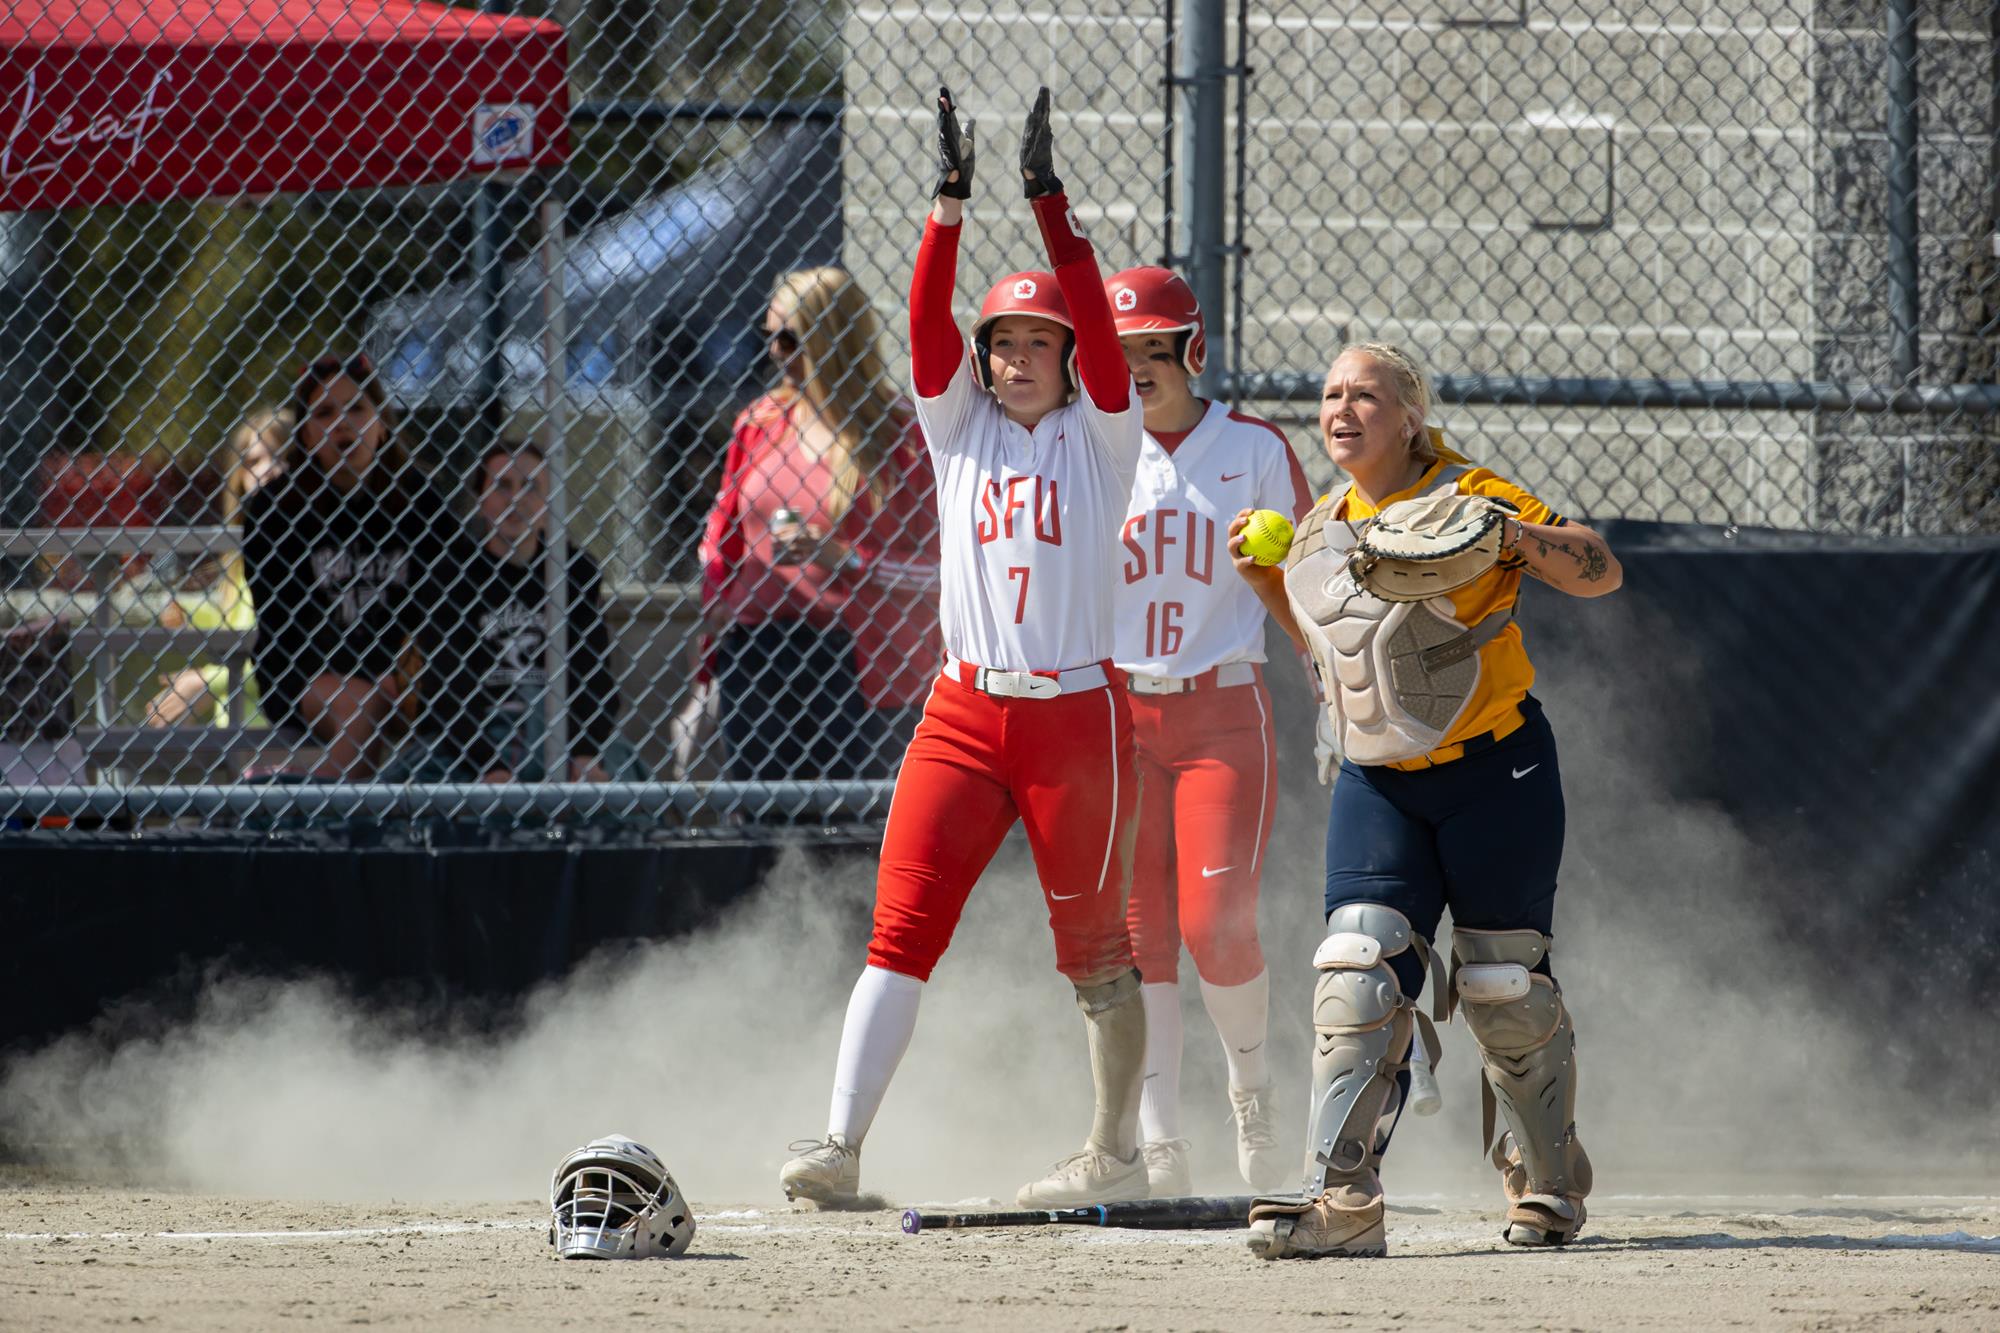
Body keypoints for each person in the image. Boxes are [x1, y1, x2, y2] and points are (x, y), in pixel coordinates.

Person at [781, 87, 1148, 1208]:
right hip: (961, 714)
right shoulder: (956, 429)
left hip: (1074, 718)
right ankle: (840, 1148)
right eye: (1006, 341)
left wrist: (1048, 204)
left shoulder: (1105, 435)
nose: (1022, 355)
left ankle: (1113, 1151)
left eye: (1043, 341)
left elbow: (1089, 304)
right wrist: (945, 204)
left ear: (1072, 357)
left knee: (1094, 949)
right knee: (900, 929)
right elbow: (923, 320)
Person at [1229, 341, 1623, 1259]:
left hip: (1497, 772)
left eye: (1366, 393)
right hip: (1380, 783)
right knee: (1356, 969)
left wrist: (1516, 538)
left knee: (1502, 986)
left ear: (1410, 414)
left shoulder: (1474, 494)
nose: (1343, 408)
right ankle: (1344, 1199)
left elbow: (1599, 570)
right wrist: (1265, 578)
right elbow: (1339, 659)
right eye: (1330, 393)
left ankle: (1549, 1178)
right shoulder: (1321, 525)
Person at [1104, 265, 1312, 1196]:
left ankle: (1254, 1089)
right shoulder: (1086, 449)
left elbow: (1313, 587)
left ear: (1191, 349)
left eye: (1155, 348)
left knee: (1214, 923)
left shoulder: (1253, 446)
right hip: (1115, 711)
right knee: (1140, 932)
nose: (1139, 368)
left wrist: (1338, 696)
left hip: (1221, 703)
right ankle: (1157, 1136)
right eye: (1119, 355)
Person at [696, 266, 940, 787]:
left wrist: (847, 559)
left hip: (860, 658)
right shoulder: (759, 422)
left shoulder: (902, 435)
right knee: (761, 819)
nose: (776, 353)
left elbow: (946, 573)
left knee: (852, 830)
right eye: (770, 337)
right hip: (759, 648)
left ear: (834, 338)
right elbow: (723, 529)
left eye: (789, 338)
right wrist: (717, 596)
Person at [240, 354, 455, 778]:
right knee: (362, 701)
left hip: (405, 672)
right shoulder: (275, 509)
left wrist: (402, 669)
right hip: (308, 674)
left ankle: (311, 794)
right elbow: (285, 622)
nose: (342, 423)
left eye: (356, 408)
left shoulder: (421, 498)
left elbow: (441, 601)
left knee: (397, 698)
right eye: (324, 412)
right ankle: (336, 812)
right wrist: (370, 675)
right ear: (304, 433)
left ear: (381, 421)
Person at [394, 442, 635, 784]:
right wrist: (489, 764)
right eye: (502, 486)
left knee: (620, 769)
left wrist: (584, 752)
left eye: (531, 487)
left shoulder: (574, 571)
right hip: (482, 729)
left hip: (557, 727)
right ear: (480, 499)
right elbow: (447, 684)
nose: (515, 499)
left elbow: (592, 671)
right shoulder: (452, 574)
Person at [145, 408, 289, 729]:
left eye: (281, 456)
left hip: (283, 740)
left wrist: (206, 682)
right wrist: (187, 609)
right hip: (241, 744)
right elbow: (239, 616)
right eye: (253, 462)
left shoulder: (308, 555)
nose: (268, 470)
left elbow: (290, 658)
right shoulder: (244, 553)